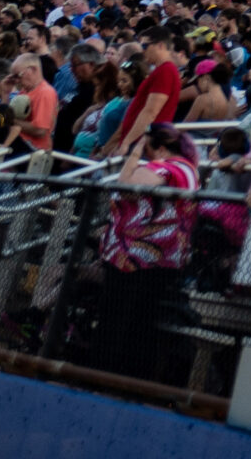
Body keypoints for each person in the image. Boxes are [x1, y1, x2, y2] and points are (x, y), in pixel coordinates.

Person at [91, 121, 201, 383]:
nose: (146, 159)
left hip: (139, 258)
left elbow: (125, 188)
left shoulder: (170, 167)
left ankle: (106, 379)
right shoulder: (188, 170)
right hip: (155, 258)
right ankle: (121, 379)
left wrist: (135, 153)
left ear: (161, 149)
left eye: (150, 152)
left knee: (121, 320)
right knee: (137, 321)